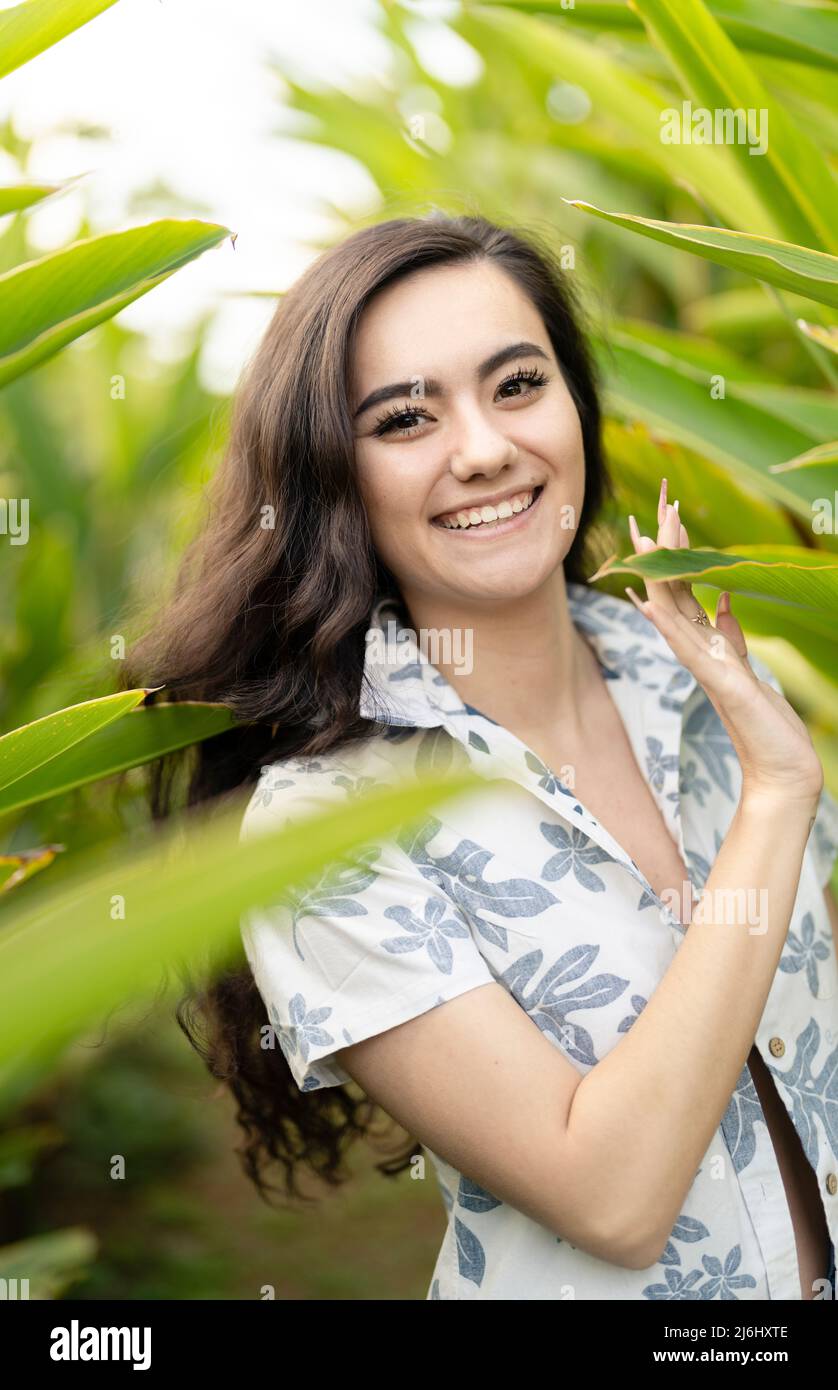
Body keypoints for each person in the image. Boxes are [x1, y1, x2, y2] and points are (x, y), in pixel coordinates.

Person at [125, 212, 838, 1300]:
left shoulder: (704, 675)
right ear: (334, 479)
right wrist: (778, 799)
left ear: (577, 409)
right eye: (405, 417)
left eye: (516, 386)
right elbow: (611, 1195)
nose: (485, 448)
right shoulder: (320, 827)